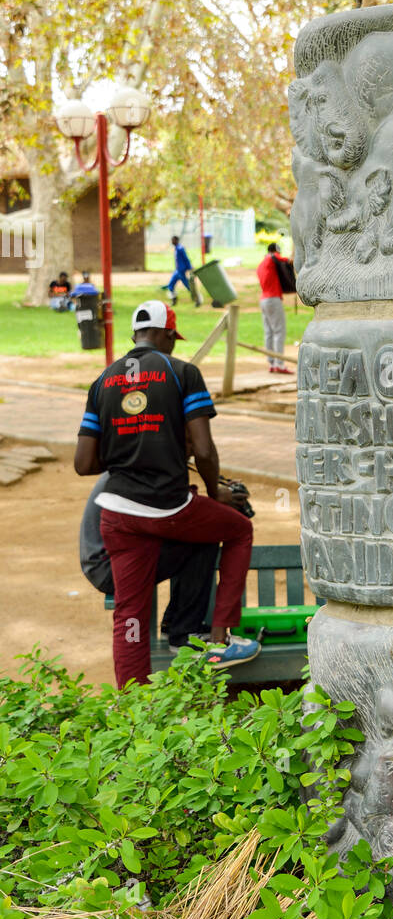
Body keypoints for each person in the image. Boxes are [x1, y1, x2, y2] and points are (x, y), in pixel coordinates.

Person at [73, 299, 260, 687]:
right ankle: (221, 637)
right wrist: (215, 492)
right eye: (173, 337)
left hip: (118, 516)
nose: (174, 344)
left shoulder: (103, 380)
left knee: (129, 616)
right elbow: (204, 449)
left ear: (136, 336)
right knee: (238, 528)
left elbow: (84, 463)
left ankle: (134, 706)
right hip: (167, 506)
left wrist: (130, 446)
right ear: (164, 334)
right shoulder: (181, 373)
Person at [80, 471, 219, 653]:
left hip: (104, 563)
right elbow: (166, 522)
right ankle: (183, 633)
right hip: (109, 568)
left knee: (191, 538)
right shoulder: (138, 474)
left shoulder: (130, 467)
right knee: (202, 540)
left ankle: (174, 625)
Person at [256, 241, 294, 375]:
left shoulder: (261, 264)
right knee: (279, 331)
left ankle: (272, 363)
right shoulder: (272, 258)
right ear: (275, 251)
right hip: (273, 299)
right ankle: (280, 363)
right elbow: (286, 260)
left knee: (269, 332)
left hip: (264, 300)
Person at [162, 235, 201, 306]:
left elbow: (186, 258)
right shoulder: (176, 249)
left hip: (181, 271)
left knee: (189, 286)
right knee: (171, 285)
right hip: (177, 271)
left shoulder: (180, 249)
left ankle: (197, 300)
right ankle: (174, 300)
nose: (172, 242)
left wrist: (190, 267)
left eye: (173, 240)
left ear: (176, 240)